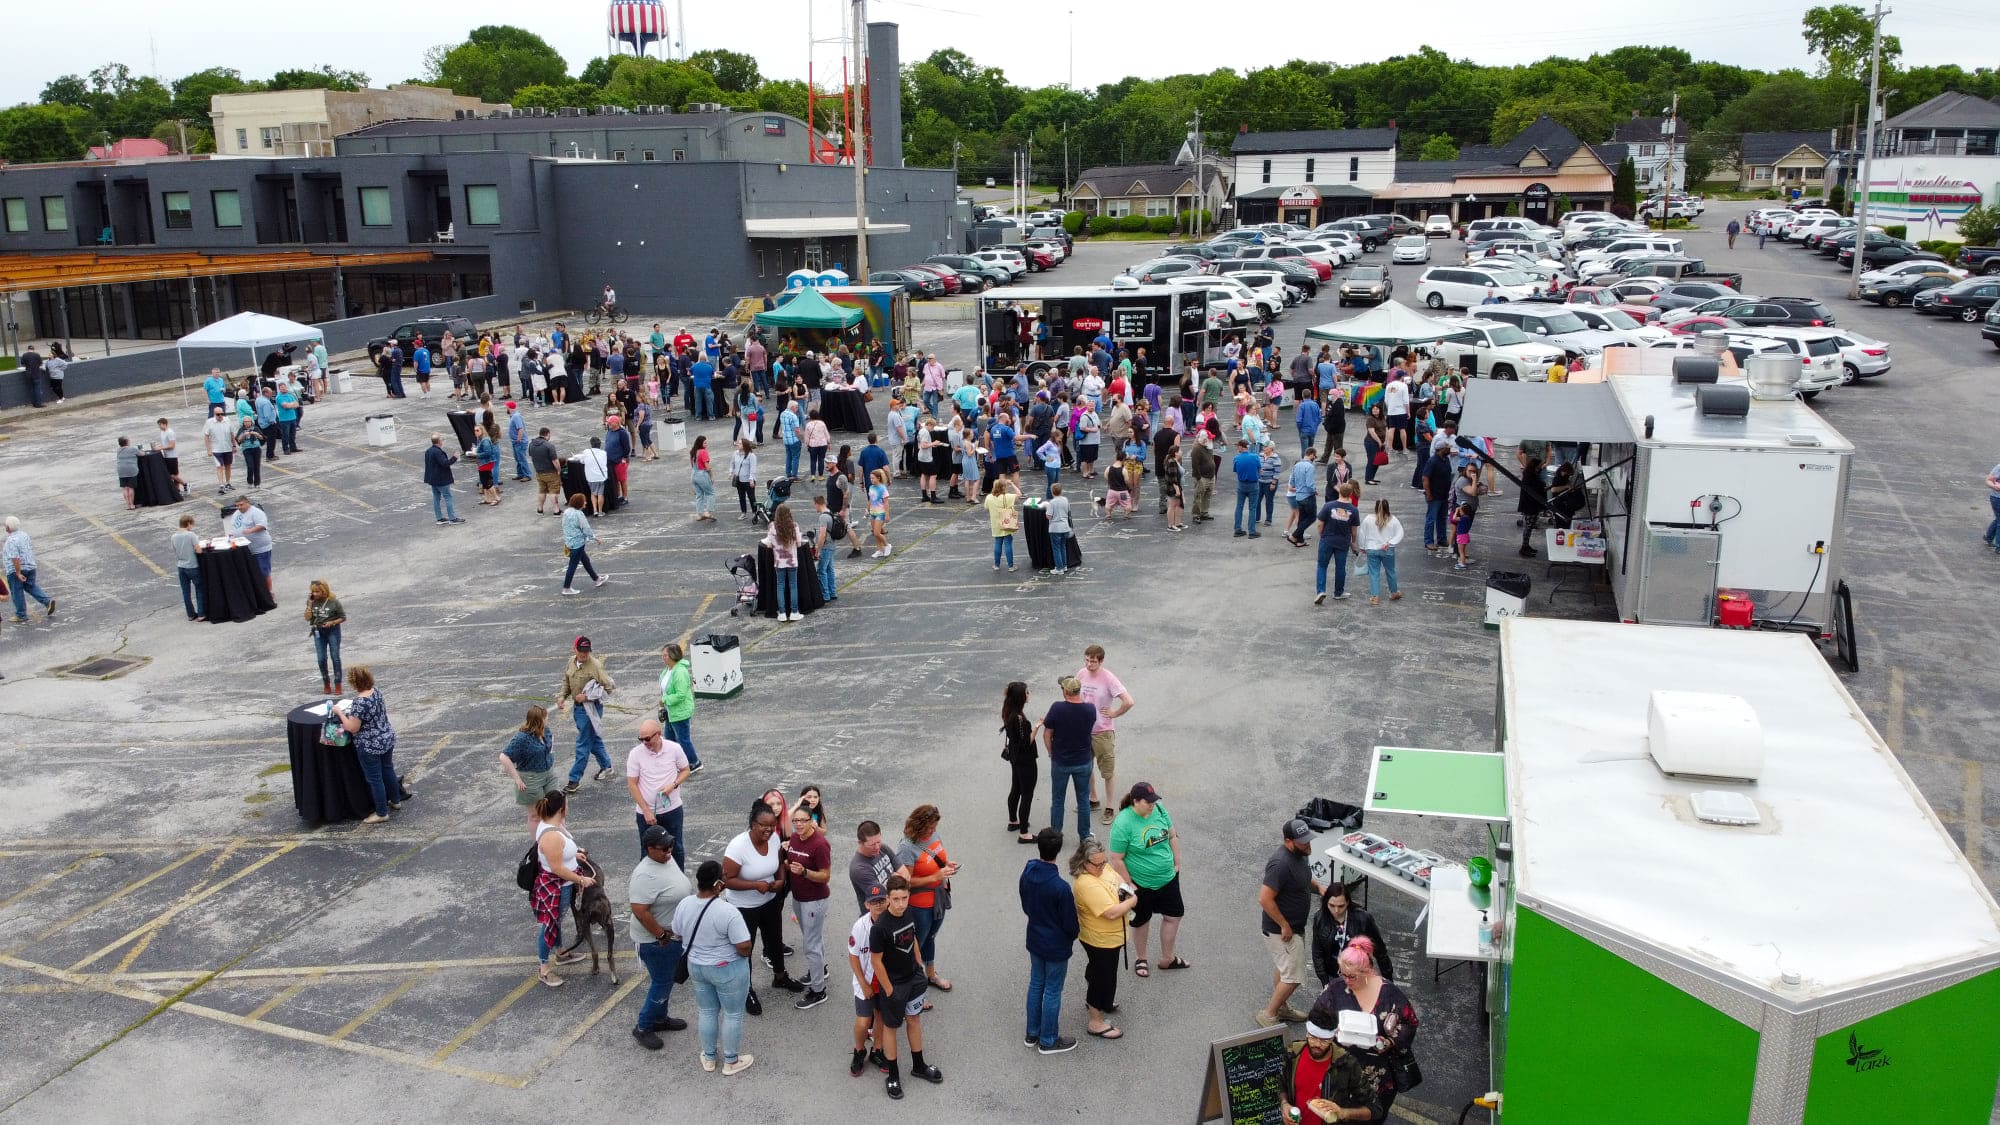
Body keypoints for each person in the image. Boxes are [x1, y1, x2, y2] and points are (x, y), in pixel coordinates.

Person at [1314, 937, 1420, 1121]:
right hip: (1341, 1071)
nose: (1346, 980)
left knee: (1371, 1116)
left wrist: (1389, 1041)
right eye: (1343, 973)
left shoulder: (1389, 993)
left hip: (1377, 1076)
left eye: (1352, 976)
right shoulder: (1335, 989)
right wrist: (1331, 1032)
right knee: (1337, 1115)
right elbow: (1317, 1018)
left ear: (1367, 971)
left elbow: (1409, 1022)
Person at [722, 800, 806, 1017]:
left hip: (769, 899)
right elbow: (727, 880)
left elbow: (779, 862)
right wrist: (754, 885)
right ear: (752, 824)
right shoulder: (738, 846)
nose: (768, 829)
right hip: (743, 906)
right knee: (745, 948)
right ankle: (746, 989)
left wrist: (780, 880)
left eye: (771, 825)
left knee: (775, 941)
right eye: (763, 825)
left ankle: (780, 977)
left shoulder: (774, 838)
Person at [674, 859, 756, 1074]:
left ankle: (709, 1058)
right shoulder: (728, 911)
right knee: (732, 1014)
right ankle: (731, 1061)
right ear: (718, 884)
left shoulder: (685, 904)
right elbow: (744, 946)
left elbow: (678, 931)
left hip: (697, 967)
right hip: (727, 969)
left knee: (707, 1011)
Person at [868, 876, 946, 1099]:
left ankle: (919, 1065)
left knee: (914, 1019)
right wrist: (889, 990)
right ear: (888, 899)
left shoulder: (909, 913)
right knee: (891, 1028)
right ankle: (893, 1076)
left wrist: (919, 966)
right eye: (896, 899)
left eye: (904, 898)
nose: (901, 903)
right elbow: (876, 961)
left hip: (914, 979)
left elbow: (912, 940)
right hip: (894, 985)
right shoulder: (880, 927)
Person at [1108, 780, 1187, 978]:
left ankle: (1167, 958)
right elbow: (1116, 858)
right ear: (1135, 801)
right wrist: (1129, 882)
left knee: (1173, 915)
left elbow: (1172, 835)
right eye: (1148, 802)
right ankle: (1141, 958)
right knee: (1141, 920)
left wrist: (1177, 862)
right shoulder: (1124, 822)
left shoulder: (1159, 810)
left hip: (1168, 878)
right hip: (1140, 883)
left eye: (1153, 801)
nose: (1152, 805)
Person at [628, 825, 692, 1049]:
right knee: (662, 982)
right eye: (663, 848)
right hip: (656, 941)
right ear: (649, 849)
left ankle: (660, 1018)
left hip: (671, 937)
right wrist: (661, 934)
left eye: (670, 846)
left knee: (666, 980)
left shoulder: (666, 859)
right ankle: (644, 1026)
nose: (669, 851)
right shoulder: (644, 874)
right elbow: (640, 910)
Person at [1071, 834, 1138, 1041]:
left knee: (1102, 972)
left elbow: (1119, 880)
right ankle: (1095, 1021)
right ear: (1084, 862)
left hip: (1112, 937)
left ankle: (1103, 1002)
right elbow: (1110, 912)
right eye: (1097, 865)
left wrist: (1124, 894)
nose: (1102, 867)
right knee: (1102, 977)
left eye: (1103, 862)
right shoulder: (1085, 883)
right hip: (1099, 939)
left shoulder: (1101, 868)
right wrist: (1133, 900)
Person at [1256, 818, 1323, 1027]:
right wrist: (1284, 925)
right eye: (1303, 842)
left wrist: (1319, 888)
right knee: (1293, 977)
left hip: (1293, 927)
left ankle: (1282, 1008)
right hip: (1281, 931)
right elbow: (1264, 898)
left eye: (1308, 839)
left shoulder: (1300, 855)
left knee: (1285, 969)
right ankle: (1268, 1015)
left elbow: (1303, 878)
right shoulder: (1281, 864)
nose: (1308, 845)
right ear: (1288, 841)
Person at [1019, 826, 1078, 1054]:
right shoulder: (1061, 888)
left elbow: (1024, 901)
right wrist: (1070, 936)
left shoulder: (1029, 869)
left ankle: (1032, 1032)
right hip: (1056, 945)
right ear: (1059, 850)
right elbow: (1071, 925)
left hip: (1035, 937)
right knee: (1053, 989)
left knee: (1036, 983)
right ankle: (1048, 1039)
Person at [531, 790, 596, 988]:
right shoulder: (551, 835)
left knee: (556, 921)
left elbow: (559, 857)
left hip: (560, 886)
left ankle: (560, 953)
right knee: (549, 925)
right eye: (567, 804)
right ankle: (544, 968)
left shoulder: (552, 826)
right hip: (557, 888)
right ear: (561, 809)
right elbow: (557, 868)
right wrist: (581, 879)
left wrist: (574, 855)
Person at [895, 805, 958, 993]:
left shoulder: (934, 836)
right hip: (920, 905)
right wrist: (935, 877)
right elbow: (904, 882)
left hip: (938, 899)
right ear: (919, 825)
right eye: (929, 828)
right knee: (917, 945)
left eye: (934, 827)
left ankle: (930, 974)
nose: (933, 831)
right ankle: (913, 987)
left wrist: (946, 863)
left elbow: (937, 857)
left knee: (931, 937)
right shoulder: (907, 847)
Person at [1280, 1014, 1385, 1125]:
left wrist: (1344, 1113)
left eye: (1324, 1041)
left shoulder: (1347, 1064)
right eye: (1313, 1037)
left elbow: (1375, 1109)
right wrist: (1284, 1103)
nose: (1317, 1044)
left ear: (1333, 1038)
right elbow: (1281, 1083)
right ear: (1307, 1033)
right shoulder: (1293, 1054)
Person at [338, 666, 409, 825]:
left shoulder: (359, 702)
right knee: (388, 769)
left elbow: (352, 727)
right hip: (386, 737)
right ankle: (396, 800)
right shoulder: (377, 692)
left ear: (354, 683)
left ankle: (381, 812)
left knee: (375, 779)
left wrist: (340, 713)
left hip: (370, 745)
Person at [1076, 645, 1134, 823]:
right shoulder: (1081, 674)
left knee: (1107, 771)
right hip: (1084, 731)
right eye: (1087, 660)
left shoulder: (1108, 678)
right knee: (1086, 768)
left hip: (1102, 732)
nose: (1089, 664)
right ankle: (1093, 799)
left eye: (1093, 661)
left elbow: (1129, 701)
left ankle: (1110, 807)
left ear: (1101, 661)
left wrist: (1114, 713)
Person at [786, 803, 834, 1010]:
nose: (798, 824)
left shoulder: (820, 844)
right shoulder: (795, 838)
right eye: (795, 820)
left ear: (811, 822)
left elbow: (825, 875)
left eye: (802, 820)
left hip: (814, 900)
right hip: (799, 898)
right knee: (811, 937)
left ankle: (818, 990)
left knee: (810, 945)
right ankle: (820, 970)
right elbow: (792, 861)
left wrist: (805, 872)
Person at [626, 717, 690, 863]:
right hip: (646, 813)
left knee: (676, 848)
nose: (644, 743)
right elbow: (632, 784)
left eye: (647, 739)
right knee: (647, 851)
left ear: (658, 734)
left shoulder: (674, 748)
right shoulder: (635, 754)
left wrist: (673, 785)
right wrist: (646, 810)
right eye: (641, 739)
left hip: (672, 809)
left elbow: (685, 770)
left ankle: (678, 883)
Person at [1041, 676, 1098, 839]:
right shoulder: (1090, 709)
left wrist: (1052, 753)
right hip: (1083, 761)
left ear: (1065, 691)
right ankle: (1085, 835)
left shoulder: (1057, 708)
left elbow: (1047, 734)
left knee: (1058, 799)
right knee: (1083, 800)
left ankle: (1055, 834)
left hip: (1061, 761)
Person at [558, 635, 616, 792]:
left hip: (590, 709)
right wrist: (562, 696)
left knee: (583, 744)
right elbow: (566, 681)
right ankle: (606, 766)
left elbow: (609, 687)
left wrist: (588, 697)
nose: (584, 654)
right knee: (592, 739)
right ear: (574, 649)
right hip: (577, 709)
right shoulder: (571, 661)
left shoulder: (595, 666)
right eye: (581, 651)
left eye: (587, 651)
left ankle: (574, 780)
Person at [848, 881, 892, 1076]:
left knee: (881, 1016)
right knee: (863, 1022)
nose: (879, 905)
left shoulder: (893, 920)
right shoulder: (860, 926)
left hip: (884, 981)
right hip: (865, 980)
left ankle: (877, 1050)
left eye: (882, 900)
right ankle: (859, 1051)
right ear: (867, 905)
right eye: (874, 902)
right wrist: (864, 984)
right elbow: (853, 955)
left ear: (888, 900)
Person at [1312, 881, 1392, 986]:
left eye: (1341, 906)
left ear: (1348, 903)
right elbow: (1317, 952)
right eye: (1332, 905)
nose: (1336, 910)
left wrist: (1388, 980)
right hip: (1333, 975)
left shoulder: (1363, 918)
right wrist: (1324, 981)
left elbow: (1379, 949)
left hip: (1359, 973)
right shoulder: (1320, 918)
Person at [499, 706, 560, 828]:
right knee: (536, 815)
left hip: (548, 774)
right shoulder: (522, 738)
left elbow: (549, 746)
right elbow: (504, 757)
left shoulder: (545, 730)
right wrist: (517, 778)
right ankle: (539, 844)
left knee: (555, 809)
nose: (548, 719)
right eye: (545, 717)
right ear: (539, 720)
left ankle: (557, 839)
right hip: (531, 778)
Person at [657, 642, 704, 773]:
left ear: (672, 656)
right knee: (670, 739)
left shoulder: (680, 672)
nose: (663, 657)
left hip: (680, 712)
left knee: (683, 739)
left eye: (665, 655)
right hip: (671, 712)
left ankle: (694, 762)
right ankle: (676, 763)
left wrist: (664, 700)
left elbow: (681, 695)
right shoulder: (668, 670)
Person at [1001, 681, 1039, 843]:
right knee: (1027, 794)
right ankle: (1024, 833)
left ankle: (1013, 820)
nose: (1029, 694)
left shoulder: (1009, 711)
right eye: (1027, 692)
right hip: (1025, 760)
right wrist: (1036, 727)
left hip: (1015, 758)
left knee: (1016, 788)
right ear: (1021, 697)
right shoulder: (1019, 718)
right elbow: (1026, 742)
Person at [1315, 481, 1362, 605]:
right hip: (1343, 542)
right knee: (1340, 567)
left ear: (1339, 492)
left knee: (1322, 565)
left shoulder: (1329, 506)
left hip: (1327, 539)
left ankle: (1320, 591)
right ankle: (1338, 592)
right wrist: (1353, 543)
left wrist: (1322, 535)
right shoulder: (1354, 510)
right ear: (1350, 494)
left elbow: (1320, 523)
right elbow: (1354, 530)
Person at [1358, 498, 1404, 605]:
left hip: (1371, 549)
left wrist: (1362, 547)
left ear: (1375, 507)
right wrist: (1391, 542)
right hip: (1387, 549)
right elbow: (1400, 533)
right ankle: (1394, 592)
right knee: (1390, 571)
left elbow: (1362, 534)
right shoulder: (1393, 519)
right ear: (1387, 508)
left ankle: (1375, 597)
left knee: (1374, 573)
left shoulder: (1368, 519)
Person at [560, 493, 608, 594]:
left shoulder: (567, 512)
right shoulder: (579, 514)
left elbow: (564, 526)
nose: (585, 502)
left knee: (585, 560)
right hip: (578, 543)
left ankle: (597, 579)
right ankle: (566, 588)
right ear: (579, 503)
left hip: (570, 542)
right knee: (572, 566)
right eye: (584, 501)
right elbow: (586, 528)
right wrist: (595, 538)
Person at [764, 502, 804, 621]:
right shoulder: (794, 526)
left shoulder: (772, 527)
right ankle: (794, 611)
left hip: (778, 561)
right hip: (792, 561)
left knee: (780, 586)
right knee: (793, 585)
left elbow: (770, 545)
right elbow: (799, 543)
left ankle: (781, 613)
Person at [305, 581, 346, 694]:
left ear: (324, 591)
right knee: (321, 658)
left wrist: (332, 622)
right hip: (318, 631)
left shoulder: (333, 602)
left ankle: (338, 683)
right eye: (313, 591)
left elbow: (343, 617)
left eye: (317, 591)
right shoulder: (312, 602)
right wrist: (309, 605)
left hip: (332, 631)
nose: (315, 593)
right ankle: (326, 682)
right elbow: (308, 618)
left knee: (335, 657)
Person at [228, 497, 273, 592]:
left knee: (263, 571)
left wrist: (250, 530)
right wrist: (233, 534)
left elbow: (262, 525)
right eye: (237, 505)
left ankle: (269, 593)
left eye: (241, 505)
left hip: (260, 548)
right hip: (245, 548)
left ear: (247, 503)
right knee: (251, 572)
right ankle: (258, 592)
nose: (239, 507)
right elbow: (235, 526)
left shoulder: (256, 512)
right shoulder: (237, 513)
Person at [169, 514, 204, 621]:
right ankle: (201, 614)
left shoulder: (173, 536)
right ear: (188, 524)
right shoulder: (191, 535)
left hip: (181, 566)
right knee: (199, 589)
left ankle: (190, 614)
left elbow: (174, 550)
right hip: (192, 566)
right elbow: (198, 550)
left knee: (185, 591)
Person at [423, 434, 462, 525]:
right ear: (439, 442)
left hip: (433, 479)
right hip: (441, 479)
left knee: (436, 498)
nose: (443, 441)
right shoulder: (438, 452)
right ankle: (452, 518)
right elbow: (445, 463)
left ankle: (439, 518)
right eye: (442, 440)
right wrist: (455, 457)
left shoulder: (428, 451)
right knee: (448, 497)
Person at [1285, 449, 1320, 546]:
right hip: (1308, 496)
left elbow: (1292, 481)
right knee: (1312, 517)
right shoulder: (1310, 466)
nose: (1314, 458)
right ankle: (1294, 535)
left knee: (1302, 518)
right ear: (1312, 455)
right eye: (1315, 456)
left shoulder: (1297, 465)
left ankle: (1300, 541)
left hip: (1298, 496)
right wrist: (1314, 490)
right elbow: (1309, 484)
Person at [201, 405, 237, 495]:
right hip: (216, 449)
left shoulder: (227, 420)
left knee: (228, 465)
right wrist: (208, 449)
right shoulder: (209, 422)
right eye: (218, 414)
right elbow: (206, 436)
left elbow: (232, 433)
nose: (220, 416)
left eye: (221, 414)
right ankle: (221, 484)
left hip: (227, 447)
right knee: (219, 466)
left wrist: (234, 445)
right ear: (214, 414)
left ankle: (228, 482)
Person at [985, 476, 1019, 572]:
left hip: (996, 524)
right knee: (1008, 544)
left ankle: (996, 565)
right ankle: (1011, 566)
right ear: (1003, 487)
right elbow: (1019, 493)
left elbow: (986, 508)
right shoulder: (1007, 497)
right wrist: (1012, 483)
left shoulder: (989, 497)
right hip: (1006, 522)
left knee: (998, 543)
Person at [1232, 439, 1262, 538]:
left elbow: (1236, 471)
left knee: (1239, 506)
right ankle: (1252, 531)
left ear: (1241, 447)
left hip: (1241, 484)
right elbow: (1260, 470)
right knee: (1252, 508)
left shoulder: (1236, 458)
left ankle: (1237, 529)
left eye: (1238, 446)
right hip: (1253, 484)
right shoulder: (1255, 457)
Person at [867, 468, 892, 558]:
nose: (871, 480)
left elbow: (886, 502)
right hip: (873, 512)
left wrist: (887, 514)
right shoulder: (871, 487)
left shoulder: (882, 488)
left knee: (877, 532)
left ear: (878, 478)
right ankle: (880, 550)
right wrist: (867, 509)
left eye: (873, 478)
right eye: (870, 478)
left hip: (880, 513)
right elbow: (870, 500)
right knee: (875, 533)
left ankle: (887, 545)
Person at [1986, 461, 2000, 554]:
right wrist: (1995, 486)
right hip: (1997, 498)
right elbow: (1988, 481)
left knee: (1999, 519)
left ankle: (1989, 536)